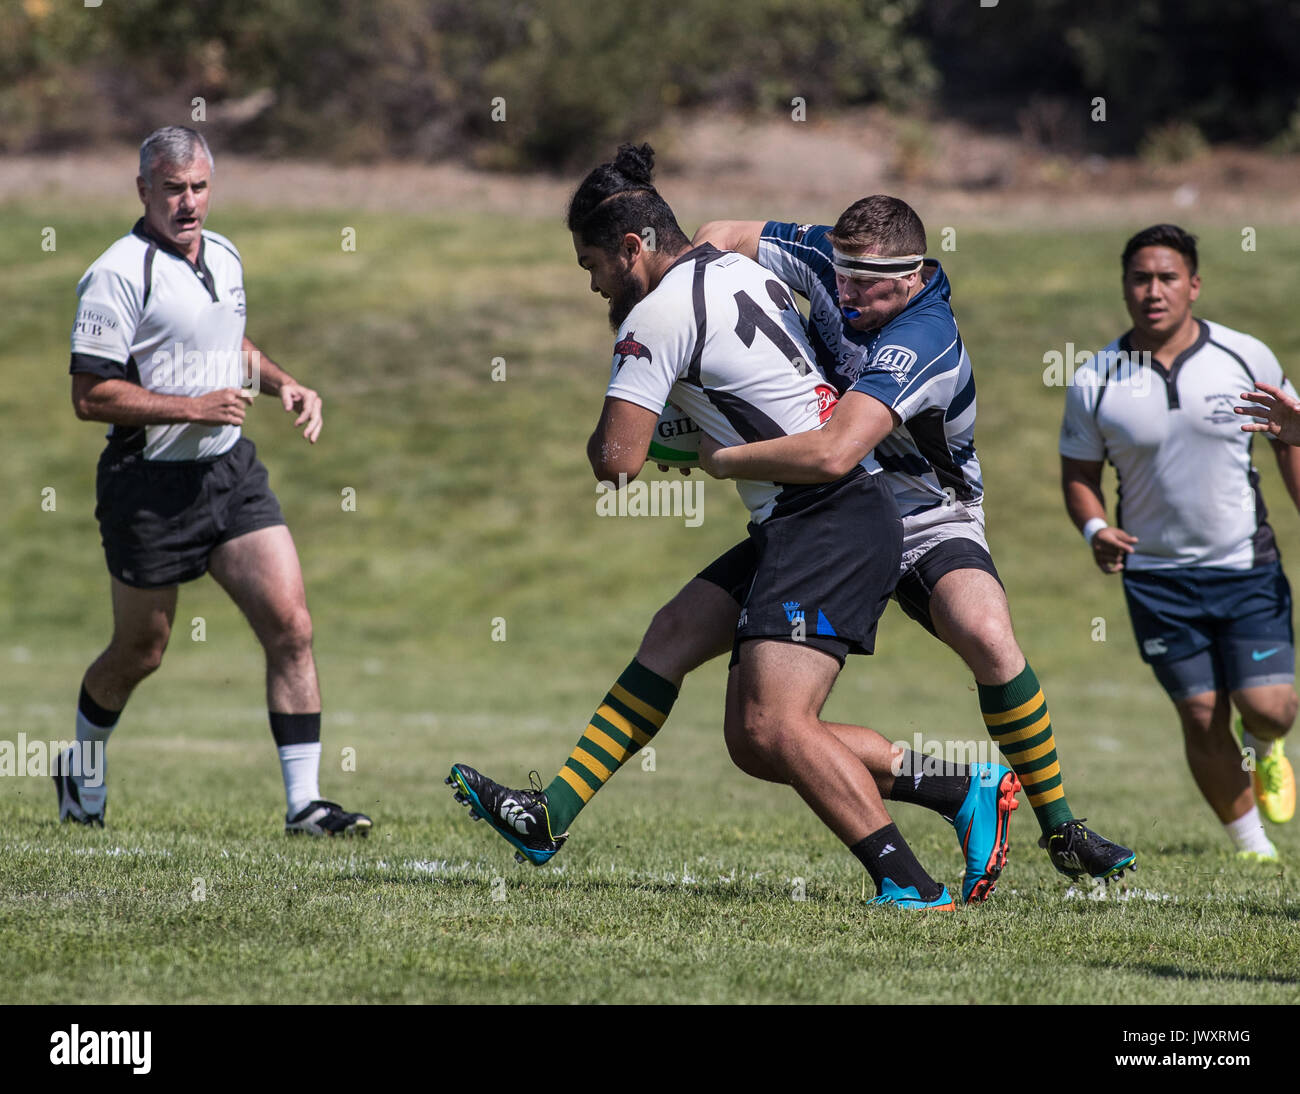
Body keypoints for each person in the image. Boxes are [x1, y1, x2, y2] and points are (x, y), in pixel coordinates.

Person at [451, 144, 1016, 908]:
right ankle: (551, 814)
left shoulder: (653, 317)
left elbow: (616, 463)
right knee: (688, 656)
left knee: (778, 724)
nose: (591, 286)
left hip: (831, 517)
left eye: (592, 266)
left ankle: (909, 884)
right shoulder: (737, 268)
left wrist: (642, 419)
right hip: (819, 511)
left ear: (632, 247)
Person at [59, 126, 371, 836]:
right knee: (143, 651)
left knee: (291, 625)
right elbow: (90, 395)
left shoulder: (225, 255)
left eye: (199, 186)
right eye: (173, 189)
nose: (188, 201)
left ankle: (305, 806)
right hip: (147, 486)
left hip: (230, 475)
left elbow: (228, 344)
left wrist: (286, 384)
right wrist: (190, 406)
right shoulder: (115, 274)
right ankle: (80, 767)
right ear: (144, 191)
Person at [1060, 223, 1297, 859]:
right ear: (1125, 288)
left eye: (1168, 278)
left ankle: (1267, 746)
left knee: (1271, 708)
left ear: (1194, 285)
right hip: (1156, 578)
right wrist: (1094, 528)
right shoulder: (1096, 378)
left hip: (1246, 566)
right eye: (1141, 278)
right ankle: (1252, 847)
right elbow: (1078, 476)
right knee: (1198, 716)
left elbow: (1287, 442)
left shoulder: (1246, 358)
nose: (1153, 291)